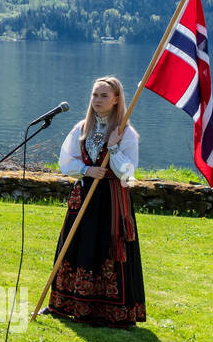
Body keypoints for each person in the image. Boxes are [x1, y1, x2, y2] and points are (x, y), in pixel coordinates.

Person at [43, 75, 145, 328]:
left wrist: (113, 149)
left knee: (106, 247)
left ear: (116, 99)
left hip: (112, 198)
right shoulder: (83, 128)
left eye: (103, 96)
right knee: (77, 244)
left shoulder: (125, 133)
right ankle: (67, 303)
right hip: (85, 194)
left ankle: (110, 311)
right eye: (94, 95)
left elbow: (129, 172)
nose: (97, 100)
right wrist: (87, 171)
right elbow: (67, 161)